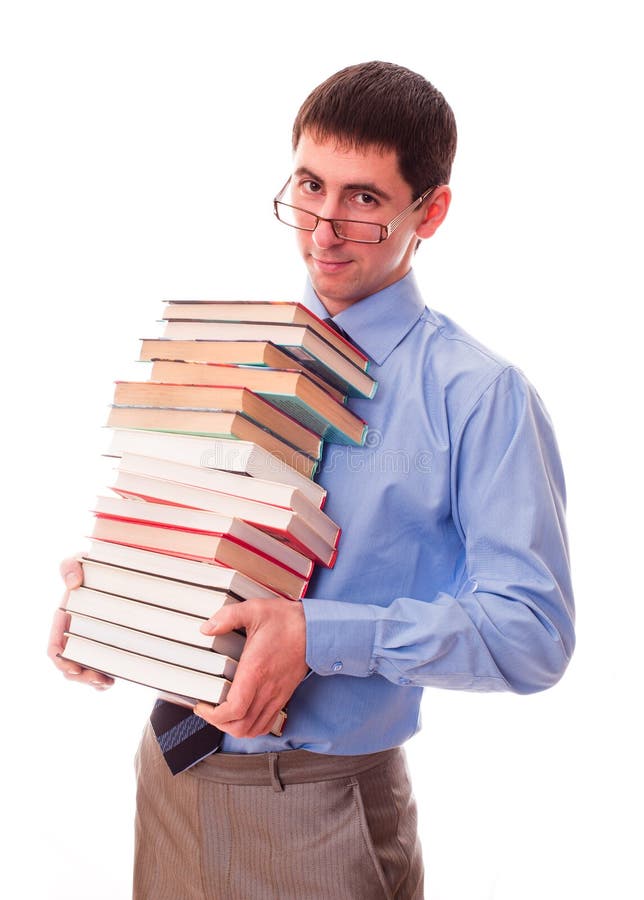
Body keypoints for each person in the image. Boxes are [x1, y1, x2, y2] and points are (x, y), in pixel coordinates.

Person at [49, 60, 575, 899]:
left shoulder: (479, 395)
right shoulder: (232, 350)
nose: (324, 228)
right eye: (309, 186)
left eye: (364, 200)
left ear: (428, 212)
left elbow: (531, 635)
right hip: (171, 773)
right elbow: (207, 545)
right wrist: (117, 598)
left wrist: (320, 634)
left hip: (317, 811)